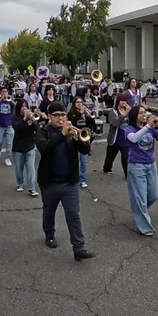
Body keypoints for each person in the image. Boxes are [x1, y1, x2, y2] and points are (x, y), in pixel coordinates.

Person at [36, 101, 95, 261]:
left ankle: (79, 248)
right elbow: (44, 148)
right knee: (49, 211)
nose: (60, 118)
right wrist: (62, 134)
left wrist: (78, 138)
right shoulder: (43, 132)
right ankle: (49, 234)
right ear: (49, 117)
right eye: (56, 115)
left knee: (73, 214)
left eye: (63, 115)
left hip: (70, 183)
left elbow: (85, 150)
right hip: (49, 182)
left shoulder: (71, 132)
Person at [125, 105, 158, 236]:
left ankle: (140, 211)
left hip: (151, 164)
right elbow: (133, 139)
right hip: (136, 165)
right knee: (140, 198)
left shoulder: (149, 128)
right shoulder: (129, 129)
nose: (144, 115)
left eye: (145, 112)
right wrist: (148, 126)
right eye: (141, 113)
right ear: (134, 116)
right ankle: (145, 227)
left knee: (154, 195)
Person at [67, 96, 96, 187]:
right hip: (74, 138)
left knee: (84, 161)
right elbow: (72, 122)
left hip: (84, 139)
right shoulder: (71, 113)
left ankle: (83, 179)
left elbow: (92, 124)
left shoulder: (85, 113)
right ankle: (74, 177)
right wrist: (79, 113)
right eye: (78, 102)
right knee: (75, 160)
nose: (80, 104)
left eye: (81, 102)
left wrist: (89, 116)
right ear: (74, 104)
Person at [12, 99, 39, 196]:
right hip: (18, 147)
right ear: (19, 108)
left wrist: (32, 119)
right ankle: (20, 183)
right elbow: (17, 128)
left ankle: (32, 188)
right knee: (19, 169)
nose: (24, 108)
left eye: (25, 106)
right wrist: (24, 118)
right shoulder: (15, 118)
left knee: (31, 168)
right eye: (22, 106)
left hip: (30, 146)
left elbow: (36, 128)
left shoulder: (30, 117)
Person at [103, 93, 130, 178]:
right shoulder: (113, 111)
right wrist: (124, 114)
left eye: (125, 101)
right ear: (118, 101)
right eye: (122, 100)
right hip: (115, 137)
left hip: (125, 138)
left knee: (125, 158)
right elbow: (115, 123)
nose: (123, 102)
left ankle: (127, 175)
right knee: (110, 156)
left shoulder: (129, 110)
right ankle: (107, 168)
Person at [0, 86, 16, 166]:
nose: (4, 93)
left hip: (9, 125)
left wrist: (10, 99)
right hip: (0, 125)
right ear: (0, 92)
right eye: (3, 92)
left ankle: (8, 158)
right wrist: (1, 99)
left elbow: (16, 106)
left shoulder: (10, 100)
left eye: (6, 91)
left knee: (9, 144)